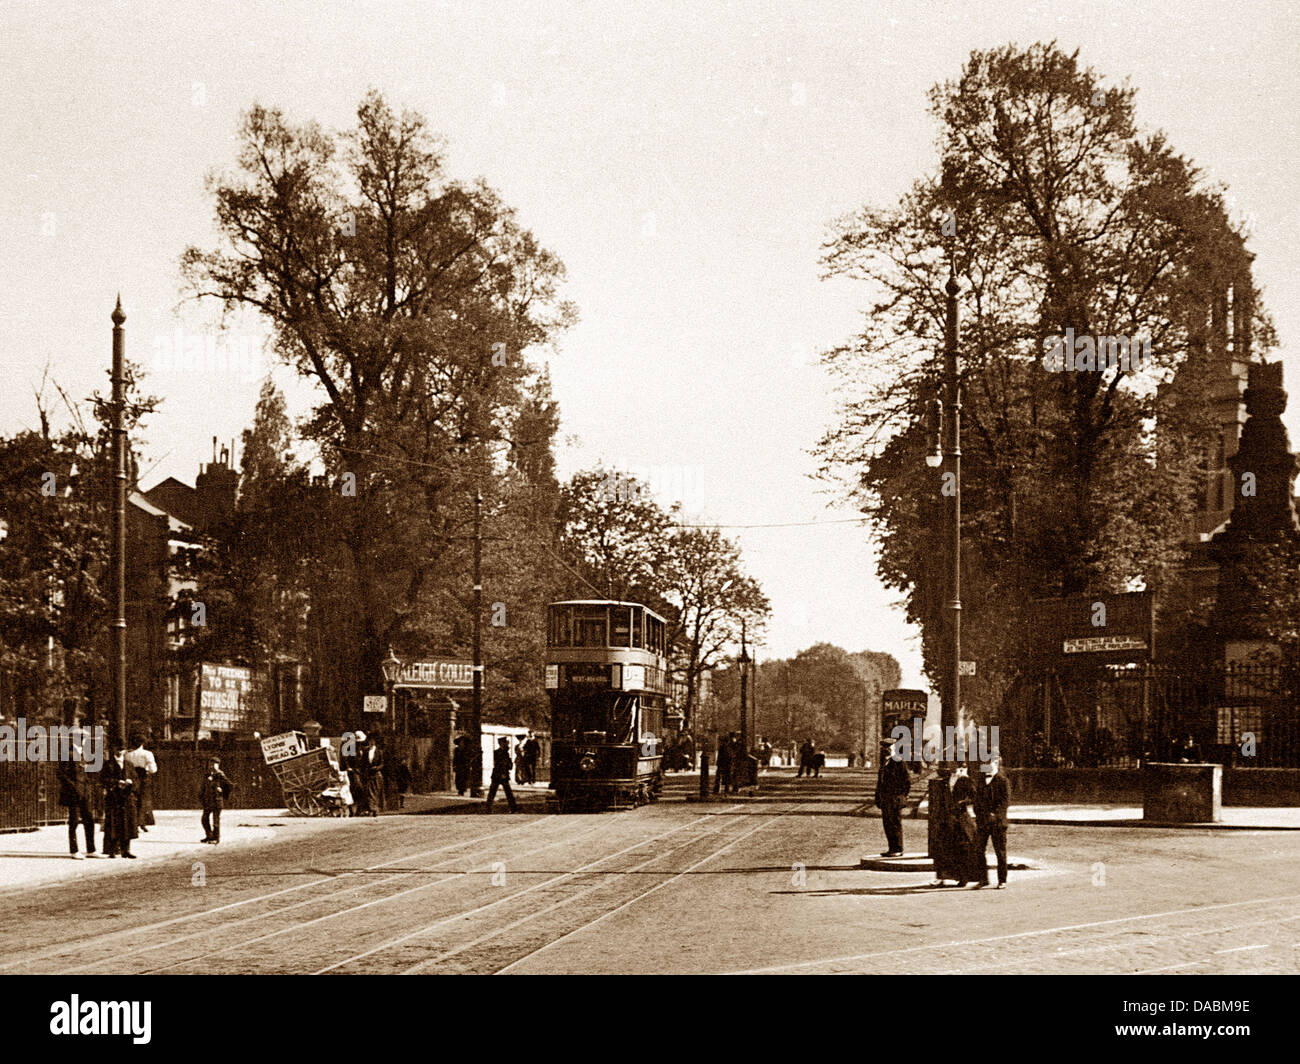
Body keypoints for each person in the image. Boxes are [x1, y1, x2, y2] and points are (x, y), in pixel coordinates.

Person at [56, 731, 99, 859]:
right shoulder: (67, 754)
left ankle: (91, 849)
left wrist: (88, 787)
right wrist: (73, 787)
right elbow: (61, 774)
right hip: (73, 793)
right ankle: (74, 850)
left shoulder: (82, 754)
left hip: (84, 792)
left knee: (89, 820)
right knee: (74, 821)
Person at [974, 757, 1010, 889]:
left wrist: (995, 815)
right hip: (983, 822)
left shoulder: (1003, 781)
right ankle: (983, 879)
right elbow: (976, 800)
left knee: (1000, 852)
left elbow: (1005, 802)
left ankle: (1002, 880)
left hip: (997, 824)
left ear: (996, 764)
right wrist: (979, 814)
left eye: (989, 763)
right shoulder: (981, 780)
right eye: (985, 763)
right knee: (978, 850)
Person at [874, 737, 911, 856]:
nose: (886, 751)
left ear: (894, 749)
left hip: (895, 798)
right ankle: (892, 848)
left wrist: (901, 796)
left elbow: (907, 782)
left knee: (895, 823)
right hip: (885, 799)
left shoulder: (899, 762)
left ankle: (898, 849)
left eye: (888, 748)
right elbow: (880, 783)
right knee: (887, 824)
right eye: (884, 748)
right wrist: (878, 798)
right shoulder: (884, 763)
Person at [101, 744, 137, 858]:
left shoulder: (129, 764)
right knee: (113, 823)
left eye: (122, 749)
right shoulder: (108, 764)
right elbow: (103, 779)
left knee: (127, 823)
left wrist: (130, 783)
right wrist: (116, 783)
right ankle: (112, 850)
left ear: (125, 751)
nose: (120, 752)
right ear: (114, 750)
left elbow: (136, 780)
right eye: (118, 749)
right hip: (114, 798)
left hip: (127, 798)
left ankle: (126, 850)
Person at [949, 766, 980, 886]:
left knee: (963, 847)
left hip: (961, 817)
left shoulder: (965, 780)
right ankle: (947, 875)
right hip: (948, 816)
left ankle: (964, 876)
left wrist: (962, 802)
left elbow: (974, 796)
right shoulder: (946, 779)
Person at [124, 734, 158, 833]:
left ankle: (134, 823)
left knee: (133, 801)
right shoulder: (147, 754)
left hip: (132, 779)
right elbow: (153, 769)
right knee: (143, 802)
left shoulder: (127, 754)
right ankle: (142, 823)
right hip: (143, 779)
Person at [200, 757, 234, 844]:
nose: (211, 766)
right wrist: (201, 797)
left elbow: (230, 785)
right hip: (208, 801)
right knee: (204, 819)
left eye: (213, 764)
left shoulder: (220, 775)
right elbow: (203, 787)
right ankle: (209, 836)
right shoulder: (207, 775)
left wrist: (222, 790)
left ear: (218, 765)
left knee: (216, 820)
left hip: (217, 800)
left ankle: (216, 838)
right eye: (210, 764)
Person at [486, 736, 518, 813]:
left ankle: (513, 808)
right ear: (501, 743)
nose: (506, 744)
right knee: (493, 792)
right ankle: (488, 808)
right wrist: (503, 773)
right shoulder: (499, 753)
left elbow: (508, 765)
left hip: (501, 775)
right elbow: (500, 764)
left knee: (507, 793)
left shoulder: (505, 753)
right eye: (505, 743)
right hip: (499, 775)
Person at [348, 730, 370, 816]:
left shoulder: (364, 749)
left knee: (364, 789)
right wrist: (349, 768)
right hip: (354, 771)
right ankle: (353, 810)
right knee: (358, 788)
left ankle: (361, 809)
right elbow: (348, 760)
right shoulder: (351, 749)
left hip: (363, 771)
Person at [362, 734, 384, 816]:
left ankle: (376, 808)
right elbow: (363, 763)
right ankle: (372, 808)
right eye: (369, 741)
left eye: (372, 741)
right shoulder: (366, 751)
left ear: (375, 742)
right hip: (369, 774)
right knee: (369, 791)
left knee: (376, 791)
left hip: (376, 773)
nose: (371, 742)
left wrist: (377, 768)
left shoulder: (379, 752)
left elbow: (382, 764)